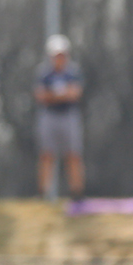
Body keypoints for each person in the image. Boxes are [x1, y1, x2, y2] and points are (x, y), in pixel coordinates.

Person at [35, 34, 85, 198]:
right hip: (49, 116)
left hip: (68, 116)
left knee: (73, 155)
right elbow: (40, 96)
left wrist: (54, 95)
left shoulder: (73, 72)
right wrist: (62, 94)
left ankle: (76, 191)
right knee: (47, 155)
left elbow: (75, 94)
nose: (59, 59)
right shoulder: (44, 73)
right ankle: (43, 193)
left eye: (62, 55)